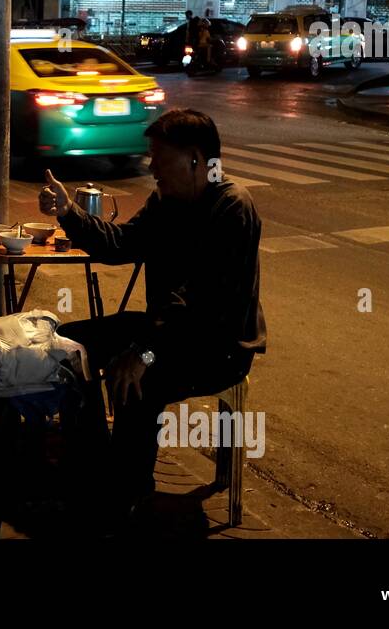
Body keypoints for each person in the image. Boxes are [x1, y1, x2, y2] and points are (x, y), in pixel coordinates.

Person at [38, 109, 266, 527]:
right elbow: (121, 244)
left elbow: (200, 300)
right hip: (167, 332)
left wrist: (143, 353)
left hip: (219, 346)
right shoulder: (166, 202)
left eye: (159, 157)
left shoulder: (232, 208)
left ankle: (126, 494)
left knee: (137, 380)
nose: (152, 167)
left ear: (195, 159)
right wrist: (68, 213)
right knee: (69, 347)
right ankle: (95, 462)